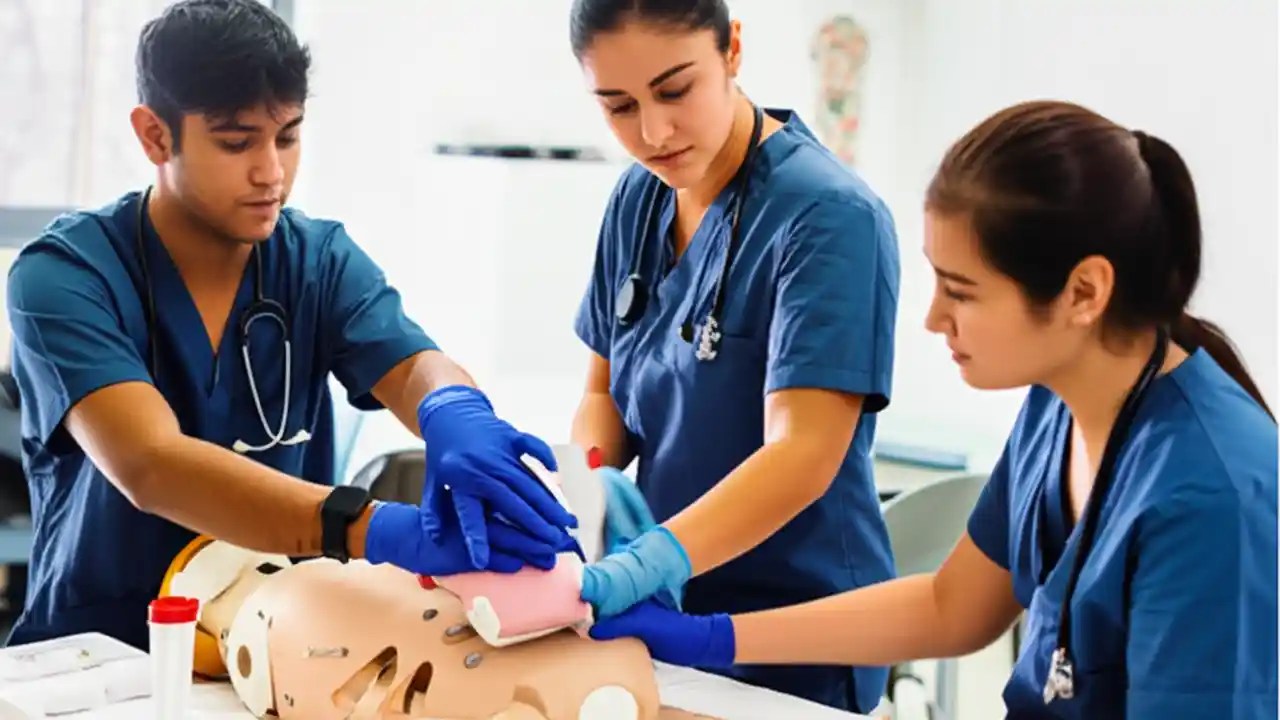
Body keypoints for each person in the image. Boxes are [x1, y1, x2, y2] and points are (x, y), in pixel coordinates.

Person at [587, 100, 1280, 719]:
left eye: (962, 291)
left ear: (1083, 292)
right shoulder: (1062, 403)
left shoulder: (1212, 500)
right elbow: (953, 608)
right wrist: (714, 636)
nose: (931, 318)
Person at [3, 0, 575, 651]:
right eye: (236, 142)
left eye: (288, 135)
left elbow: (411, 364)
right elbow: (151, 464)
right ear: (156, 136)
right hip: (98, 653)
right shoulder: (65, 275)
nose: (271, 172)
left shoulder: (316, 262)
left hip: (275, 654)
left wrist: (455, 411)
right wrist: (362, 527)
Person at [563, 0, 900, 711]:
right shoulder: (639, 197)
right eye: (618, 106)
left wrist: (655, 559)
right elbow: (604, 394)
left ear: (733, 50)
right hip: (655, 622)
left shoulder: (829, 218)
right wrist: (580, 497)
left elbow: (804, 453)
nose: (653, 132)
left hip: (792, 635)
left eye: (675, 90)